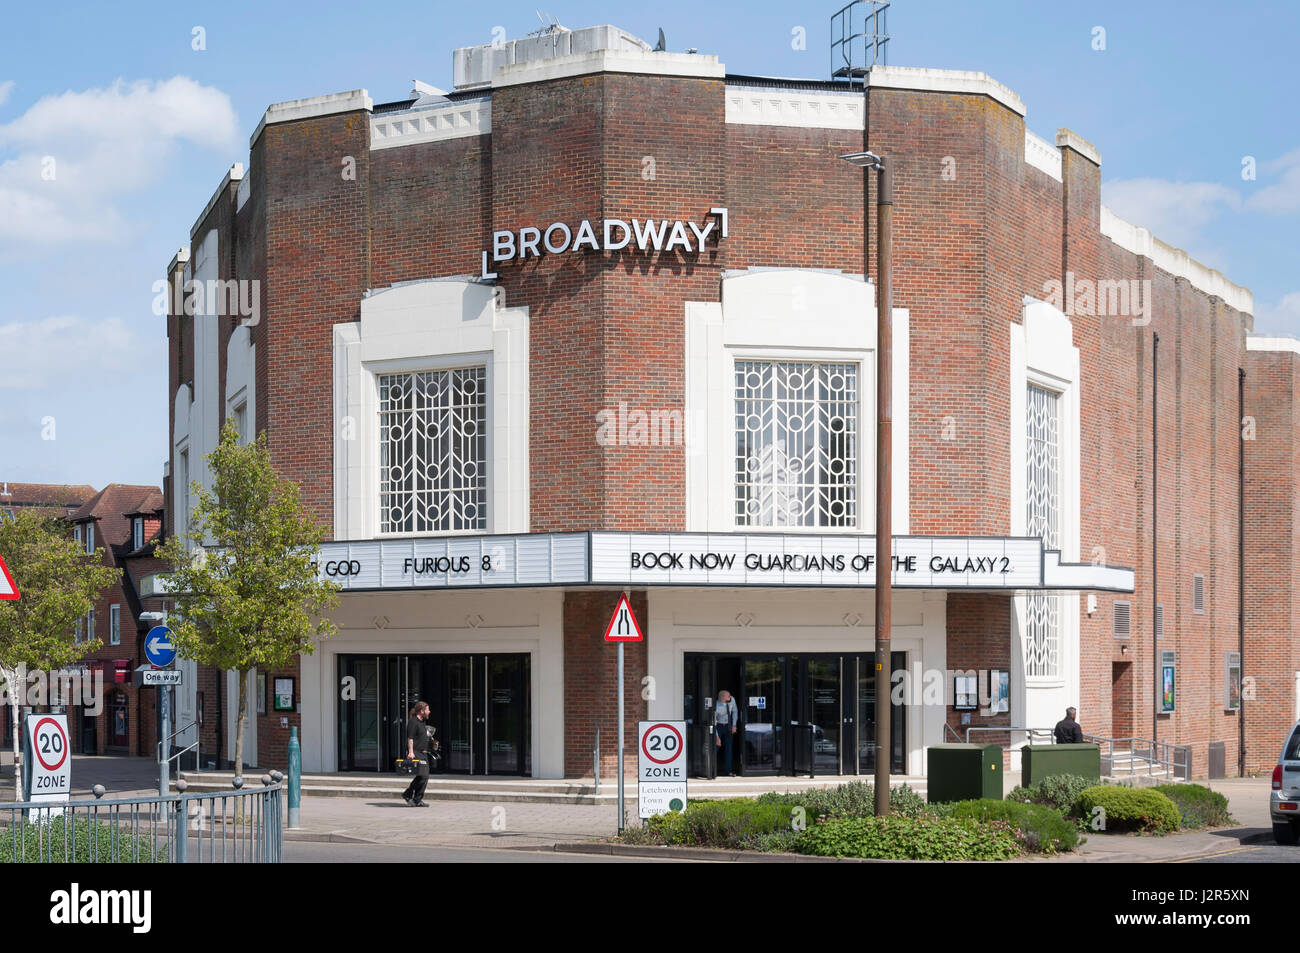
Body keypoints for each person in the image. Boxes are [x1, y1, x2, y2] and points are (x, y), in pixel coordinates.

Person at [402, 701, 432, 806]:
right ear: (422, 711)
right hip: (416, 752)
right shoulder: (413, 722)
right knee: (423, 775)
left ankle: (417, 799)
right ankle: (408, 794)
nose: (429, 712)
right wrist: (410, 752)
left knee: (424, 776)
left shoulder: (422, 722)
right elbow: (410, 738)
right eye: (428, 710)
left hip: (423, 752)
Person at [714, 689, 740, 776]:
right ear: (723, 698)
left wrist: (734, 725)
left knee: (729, 749)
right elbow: (714, 722)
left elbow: (735, 711)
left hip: (729, 726)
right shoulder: (716, 706)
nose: (730, 696)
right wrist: (717, 737)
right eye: (728, 696)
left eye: (730, 695)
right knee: (716, 747)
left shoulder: (732, 699)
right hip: (719, 726)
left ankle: (728, 771)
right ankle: (712, 770)